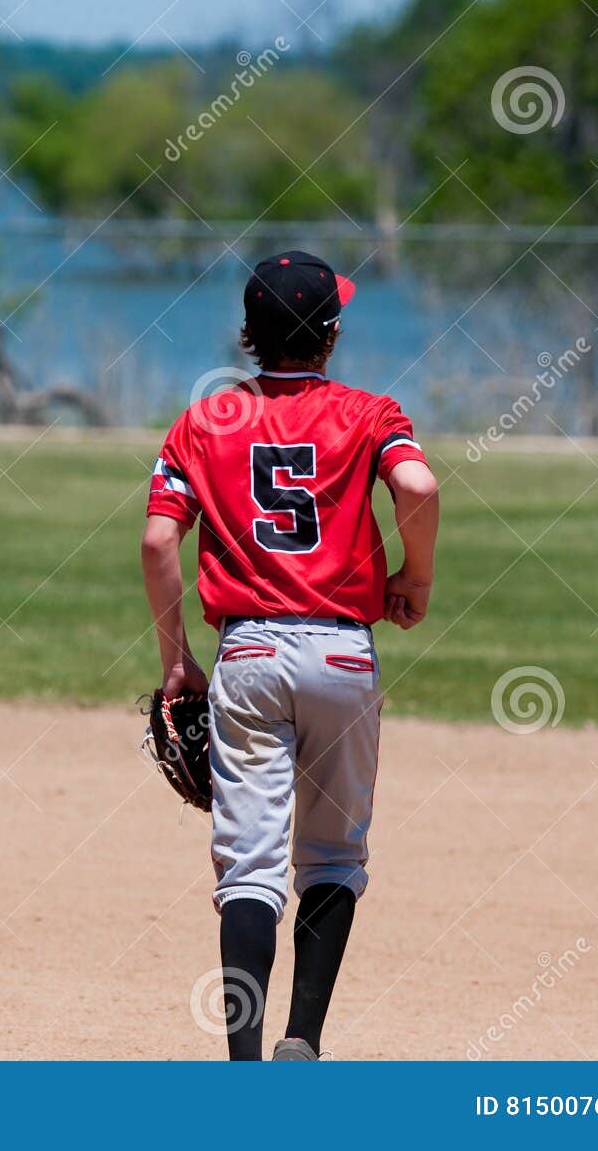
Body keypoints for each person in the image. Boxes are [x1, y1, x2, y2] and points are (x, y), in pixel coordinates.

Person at [140, 250, 440, 1060]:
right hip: (344, 653)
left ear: (250, 334)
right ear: (330, 337)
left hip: (250, 652)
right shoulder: (369, 412)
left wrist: (177, 661)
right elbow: (416, 488)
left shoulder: (207, 419)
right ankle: (302, 1041)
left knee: (248, 864)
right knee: (334, 853)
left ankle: (243, 1065)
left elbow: (159, 537)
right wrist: (414, 576)